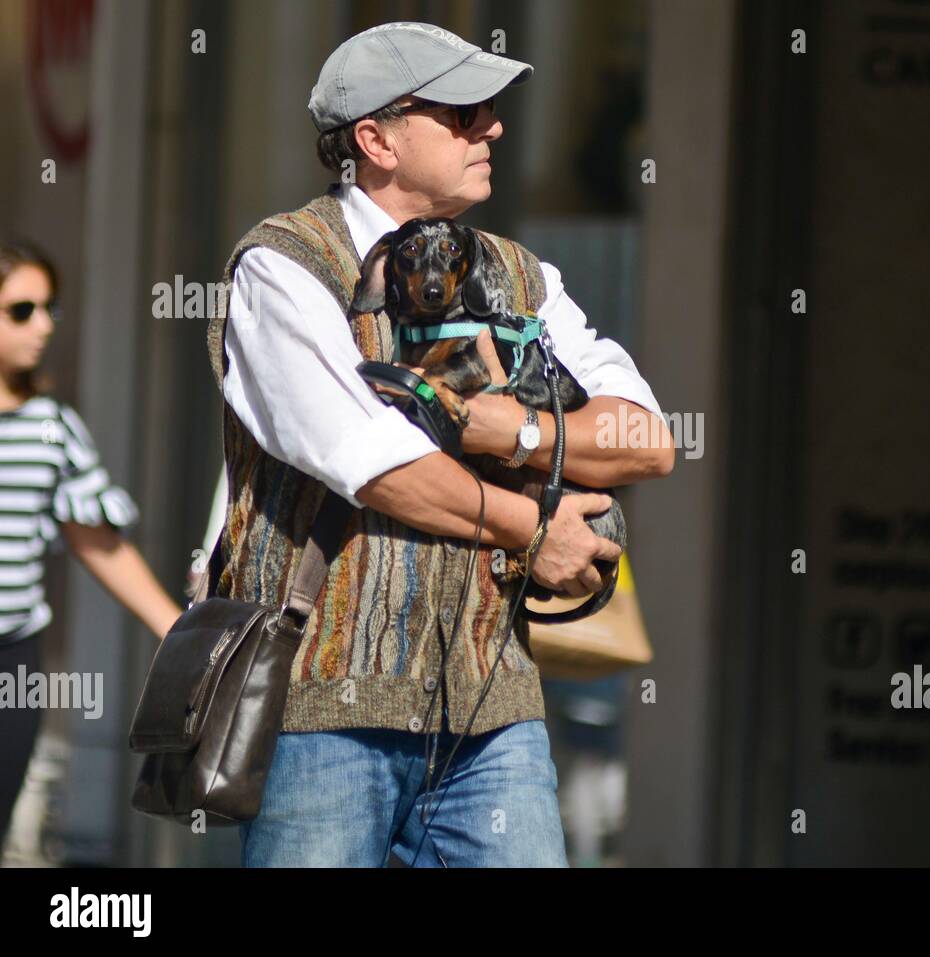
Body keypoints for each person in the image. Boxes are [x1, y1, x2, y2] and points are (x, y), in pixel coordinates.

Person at [207, 22, 673, 867]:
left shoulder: (524, 274)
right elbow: (378, 466)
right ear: (374, 139)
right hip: (325, 710)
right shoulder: (283, 268)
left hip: (492, 713)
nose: (492, 126)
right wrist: (539, 528)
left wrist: (520, 431)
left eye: (490, 109)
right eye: (463, 111)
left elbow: (648, 440)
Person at [0, 240, 183, 847]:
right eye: (22, 310)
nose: (44, 326)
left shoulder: (52, 426)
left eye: (49, 308)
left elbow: (96, 541)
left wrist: (181, 635)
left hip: (12, 664)